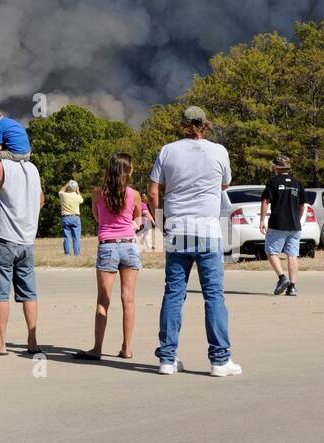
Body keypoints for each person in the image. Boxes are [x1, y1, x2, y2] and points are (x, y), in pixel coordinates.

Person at [148, 105, 242, 377]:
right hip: (209, 231)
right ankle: (220, 360)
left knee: (174, 293)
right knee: (214, 295)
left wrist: (160, 221)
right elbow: (224, 184)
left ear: (183, 124)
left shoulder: (168, 150)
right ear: (205, 124)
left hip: (178, 229)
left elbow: (153, 191)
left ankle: (167, 358)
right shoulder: (219, 151)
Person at [0, 148, 43, 355]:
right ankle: (32, 341)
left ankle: (1, 343)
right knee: (29, 293)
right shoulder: (33, 170)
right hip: (26, 240)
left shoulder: (1, 167)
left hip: (4, 237)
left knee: (0, 293)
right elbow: (40, 200)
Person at [76, 153, 142, 361]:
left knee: (103, 301)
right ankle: (127, 348)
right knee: (128, 300)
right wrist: (132, 223)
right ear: (127, 170)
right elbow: (137, 216)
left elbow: (97, 217)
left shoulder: (98, 193)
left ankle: (97, 348)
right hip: (129, 246)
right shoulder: (135, 194)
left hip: (108, 246)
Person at [260, 155, 306, 297]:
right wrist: (297, 220)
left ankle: (282, 278)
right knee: (292, 255)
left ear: (277, 167)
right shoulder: (298, 183)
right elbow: (301, 205)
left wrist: (262, 220)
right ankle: (292, 287)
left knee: (271, 251)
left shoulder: (273, 181)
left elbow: (265, 201)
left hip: (277, 223)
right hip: (294, 225)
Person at [59, 180, 84, 256]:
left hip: (66, 218)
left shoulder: (63, 195)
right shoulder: (77, 196)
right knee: (76, 238)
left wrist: (66, 185)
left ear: (68, 187)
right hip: (75, 217)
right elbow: (81, 200)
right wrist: (78, 191)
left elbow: (60, 191)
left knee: (67, 237)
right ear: (76, 188)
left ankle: (67, 254)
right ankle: (77, 254)